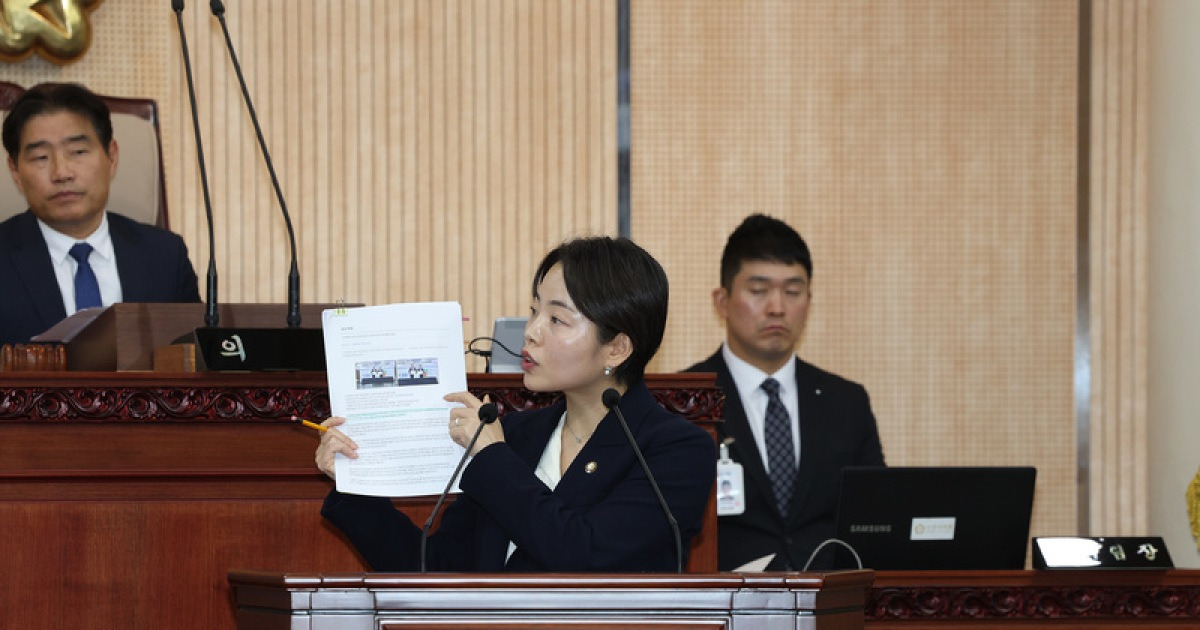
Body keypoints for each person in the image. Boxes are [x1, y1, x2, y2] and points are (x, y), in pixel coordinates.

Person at [317, 236, 717, 572]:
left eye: (556, 320)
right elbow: (436, 570)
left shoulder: (675, 450)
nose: (531, 332)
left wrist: (493, 458)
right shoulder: (517, 437)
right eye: (534, 311)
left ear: (617, 348)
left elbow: (585, 557)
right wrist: (355, 486)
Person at [685, 214, 884, 571]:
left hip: (831, 610)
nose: (777, 307)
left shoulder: (847, 403)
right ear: (722, 301)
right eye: (759, 291)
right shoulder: (682, 401)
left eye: (792, 291)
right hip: (724, 612)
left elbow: (876, 522)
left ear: (809, 300)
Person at [0, 82, 200, 346]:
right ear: (15, 171)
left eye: (78, 152)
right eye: (40, 157)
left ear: (112, 156)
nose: (62, 173)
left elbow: (195, 366)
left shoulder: (165, 256)